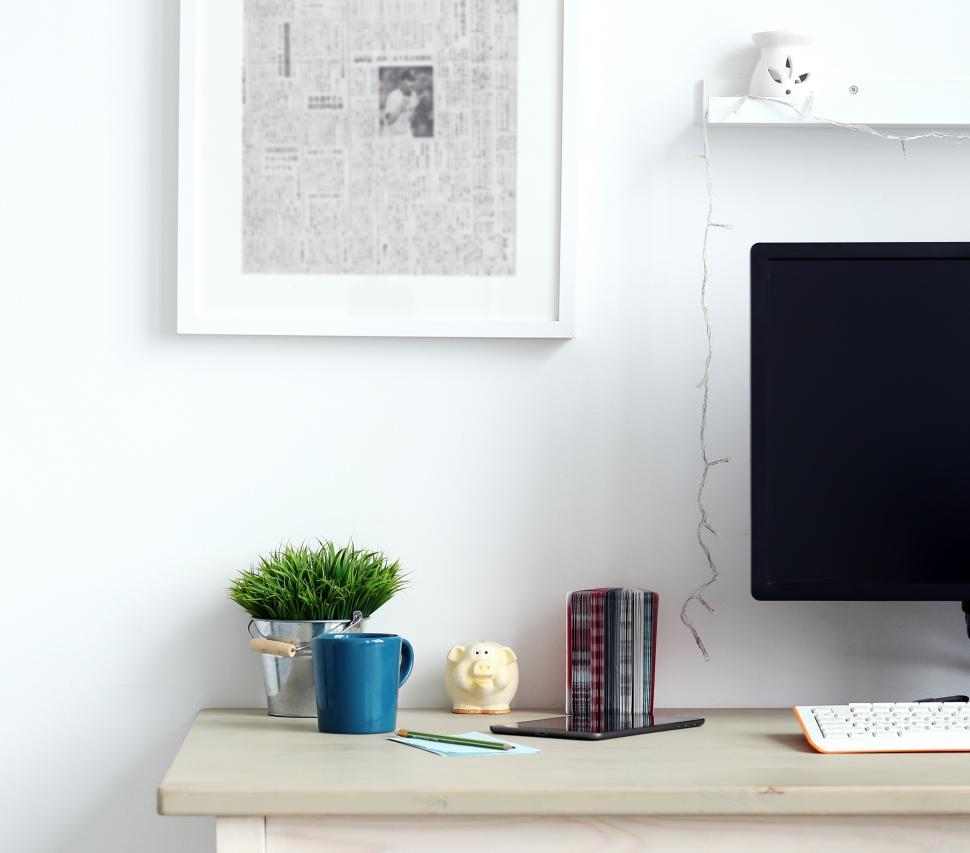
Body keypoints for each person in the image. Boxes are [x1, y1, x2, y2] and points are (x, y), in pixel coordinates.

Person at [383, 71, 418, 136]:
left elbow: (411, 117)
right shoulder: (393, 95)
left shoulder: (414, 95)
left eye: (414, 80)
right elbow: (389, 121)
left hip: (406, 132)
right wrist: (401, 106)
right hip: (392, 134)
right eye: (410, 80)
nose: (413, 83)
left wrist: (413, 115)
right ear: (402, 81)